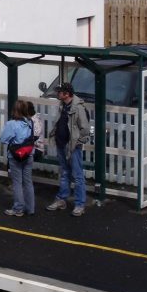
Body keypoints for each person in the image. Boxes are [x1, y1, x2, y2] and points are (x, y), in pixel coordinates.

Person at [47, 82, 91, 216]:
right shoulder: (64, 105)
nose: (58, 94)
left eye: (60, 92)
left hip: (72, 146)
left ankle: (79, 204)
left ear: (66, 94)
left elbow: (85, 129)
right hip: (62, 143)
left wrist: (78, 143)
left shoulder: (78, 108)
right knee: (65, 172)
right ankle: (62, 199)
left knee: (77, 176)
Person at [0, 99, 35, 217]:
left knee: (17, 183)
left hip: (16, 156)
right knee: (28, 182)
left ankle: (18, 208)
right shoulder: (30, 122)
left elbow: (3, 139)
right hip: (28, 154)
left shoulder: (11, 124)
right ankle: (30, 208)